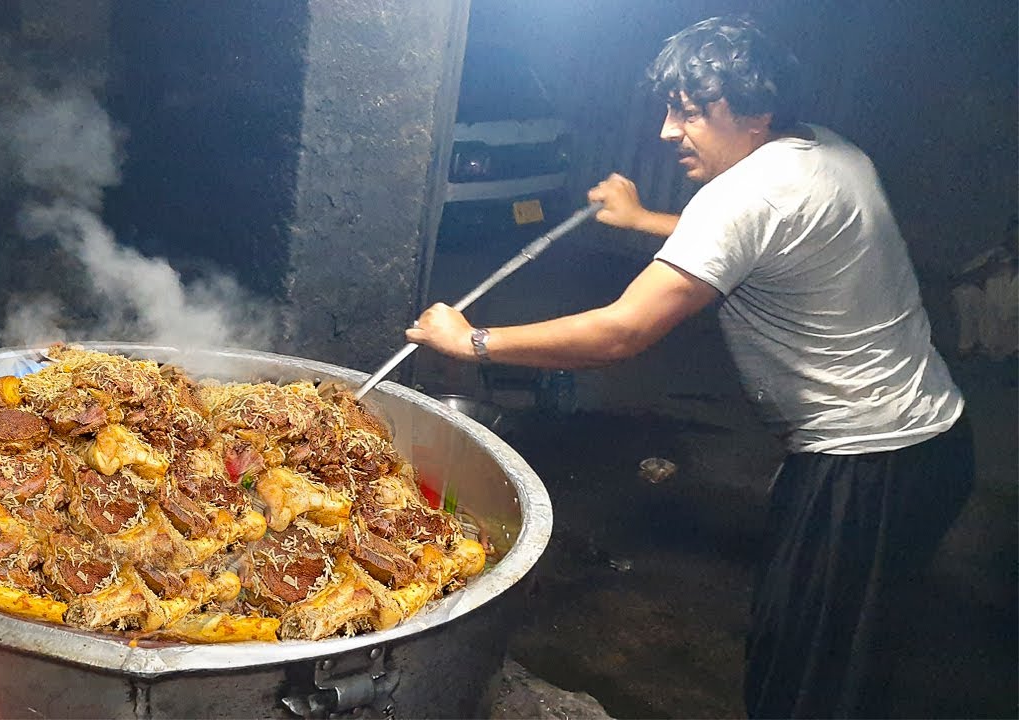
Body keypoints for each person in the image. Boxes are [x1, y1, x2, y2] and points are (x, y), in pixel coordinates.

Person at [407, 15, 973, 720]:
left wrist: (471, 342)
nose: (669, 131)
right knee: (855, 655)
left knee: (800, 676)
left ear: (756, 113)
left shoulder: (745, 195)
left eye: (692, 111)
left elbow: (624, 330)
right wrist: (644, 219)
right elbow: (754, 237)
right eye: (671, 108)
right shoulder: (828, 152)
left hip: (863, 469)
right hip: (937, 447)